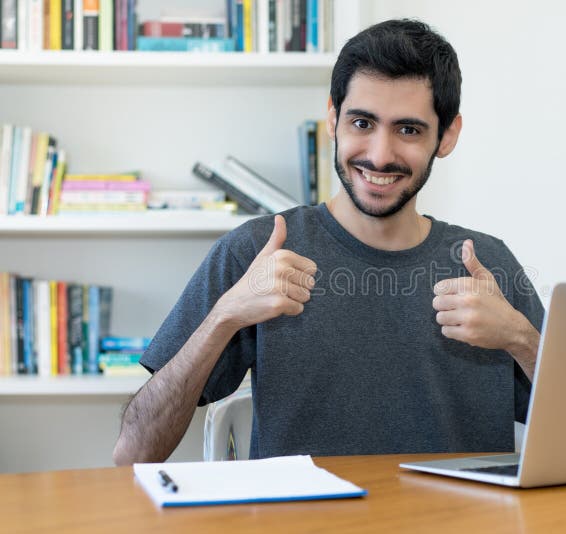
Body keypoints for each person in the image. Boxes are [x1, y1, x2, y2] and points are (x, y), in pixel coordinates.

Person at [112, 19, 544, 465]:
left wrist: (520, 338)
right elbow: (135, 451)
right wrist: (225, 316)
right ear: (333, 119)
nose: (379, 154)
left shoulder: (488, 266)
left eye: (409, 130)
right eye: (362, 122)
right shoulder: (257, 252)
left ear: (447, 136)